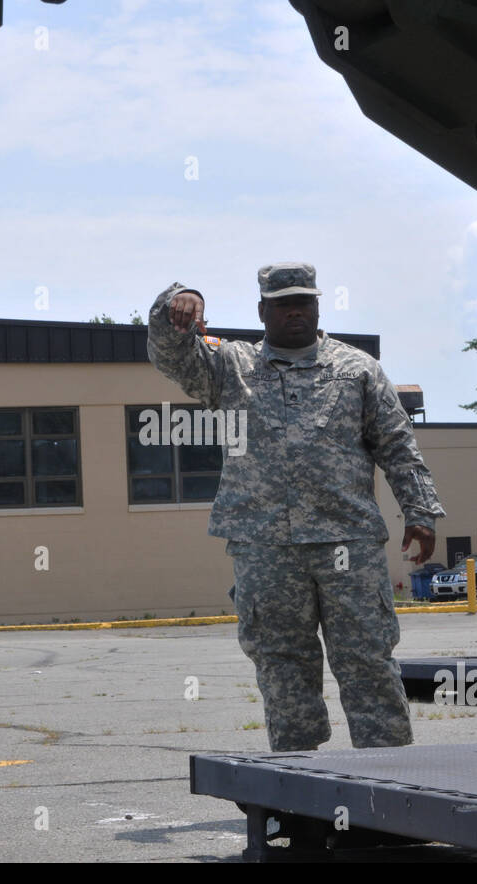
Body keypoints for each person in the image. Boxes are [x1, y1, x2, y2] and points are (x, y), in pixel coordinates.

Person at [146, 262, 446, 751]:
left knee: (367, 660)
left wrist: (420, 511)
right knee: (283, 667)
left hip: (347, 543)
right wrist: (177, 300)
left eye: (303, 302)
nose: (294, 312)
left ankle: (391, 789)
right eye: (283, 304)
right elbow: (172, 357)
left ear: (318, 306)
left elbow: (396, 445)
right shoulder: (232, 368)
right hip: (266, 547)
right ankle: (300, 790)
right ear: (263, 311)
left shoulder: (357, 370)